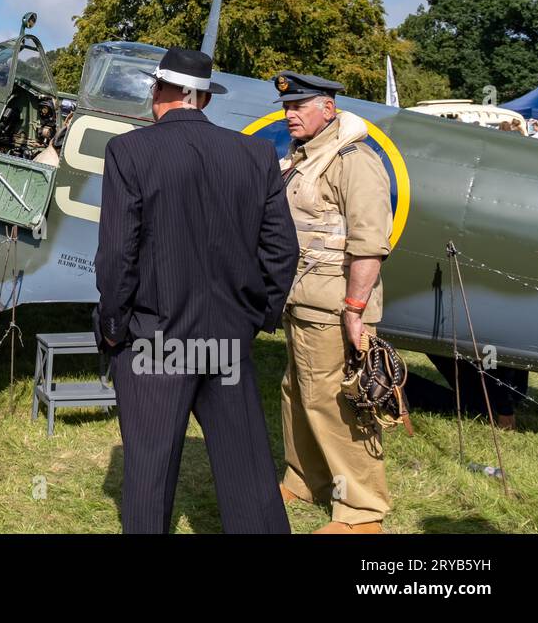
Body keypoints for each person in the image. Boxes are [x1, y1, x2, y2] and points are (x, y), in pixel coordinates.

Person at [95, 47, 298, 534]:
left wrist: (113, 328)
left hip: (153, 341)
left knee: (148, 473)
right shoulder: (254, 153)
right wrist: (257, 319)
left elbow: (118, 256)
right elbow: (282, 252)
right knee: (248, 475)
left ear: (158, 91)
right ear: (203, 99)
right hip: (228, 337)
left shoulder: (129, 151)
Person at [272, 70, 394, 534]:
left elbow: (368, 244)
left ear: (328, 108)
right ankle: (306, 478)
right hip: (301, 301)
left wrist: (355, 311)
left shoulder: (353, 160)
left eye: (299, 106)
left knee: (340, 402)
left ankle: (362, 512)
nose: (290, 114)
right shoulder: (305, 157)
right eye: (287, 107)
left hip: (333, 307)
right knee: (298, 392)